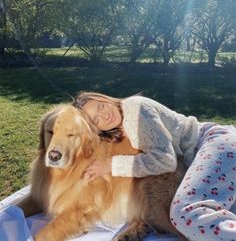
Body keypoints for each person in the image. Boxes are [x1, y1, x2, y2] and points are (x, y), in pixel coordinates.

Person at [73, 91, 236, 241]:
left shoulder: (134, 107)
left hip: (215, 142)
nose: (105, 114)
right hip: (207, 157)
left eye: (101, 106)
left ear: (105, 99)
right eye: (96, 119)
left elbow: (165, 161)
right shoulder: (121, 129)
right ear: (95, 129)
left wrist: (112, 165)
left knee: (186, 214)